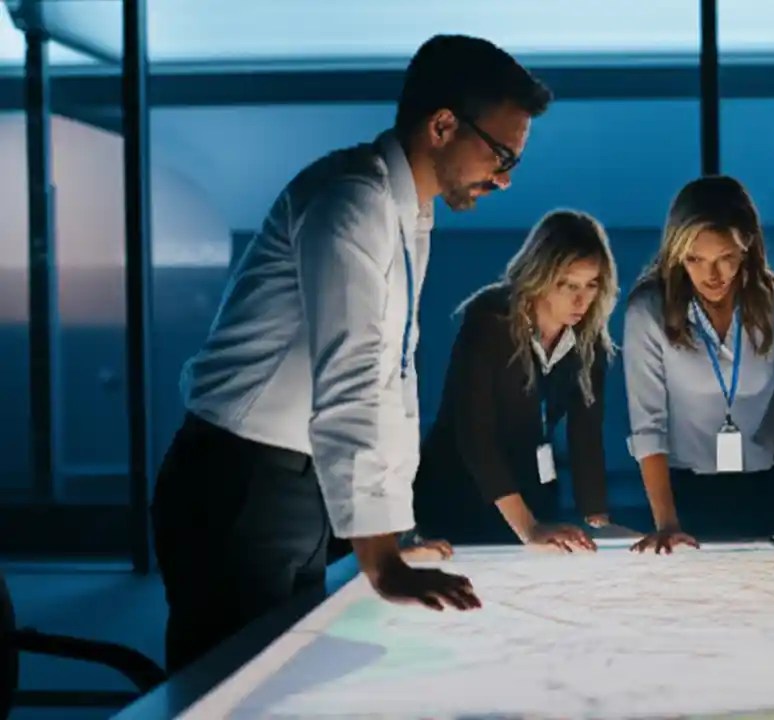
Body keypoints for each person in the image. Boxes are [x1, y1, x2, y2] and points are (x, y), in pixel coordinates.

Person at [151, 34, 551, 674]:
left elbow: (396, 379)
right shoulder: (352, 201)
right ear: (443, 125)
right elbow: (353, 378)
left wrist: (396, 530)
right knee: (230, 689)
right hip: (240, 481)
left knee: (285, 678)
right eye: (501, 154)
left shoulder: (407, 211)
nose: (503, 178)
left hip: (292, 481)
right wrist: (380, 558)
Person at [624, 175, 774, 552]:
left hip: (773, 484)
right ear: (677, 255)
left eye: (726, 258)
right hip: (685, 493)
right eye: (695, 260)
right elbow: (648, 423)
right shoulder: (649, 310)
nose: (713, 276)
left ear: (747, 249)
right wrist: (667, 522)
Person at [413, 210, 618, 551]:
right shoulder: (490, 320)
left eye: (591, 285)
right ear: (540, 276)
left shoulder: (588, 339)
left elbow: (586, 435)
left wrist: (598, 524)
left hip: (530, 492)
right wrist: (528, 529)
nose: (581, 300)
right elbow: (474, 436)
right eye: (568, 285)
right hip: (458, 493)